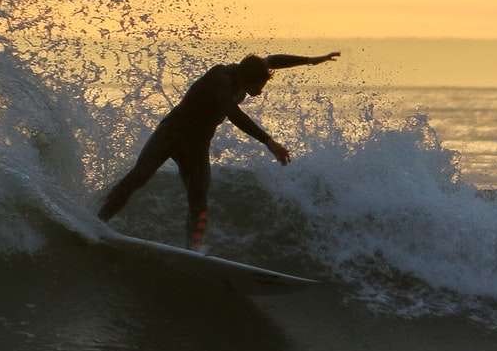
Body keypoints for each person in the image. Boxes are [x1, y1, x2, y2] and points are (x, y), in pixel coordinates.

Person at [98, 51, 340, 249]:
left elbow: (272, 60)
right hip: (171, 134)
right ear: (248, 78)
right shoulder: (220, 77)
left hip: (198, 144)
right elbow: (232, 112)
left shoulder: (248, 70)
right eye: (260, 85)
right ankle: (99, 221)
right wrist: (268, 141)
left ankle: (192, 249)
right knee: (139, 176)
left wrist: (310, 61)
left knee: (199, 197)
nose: (261, 90)